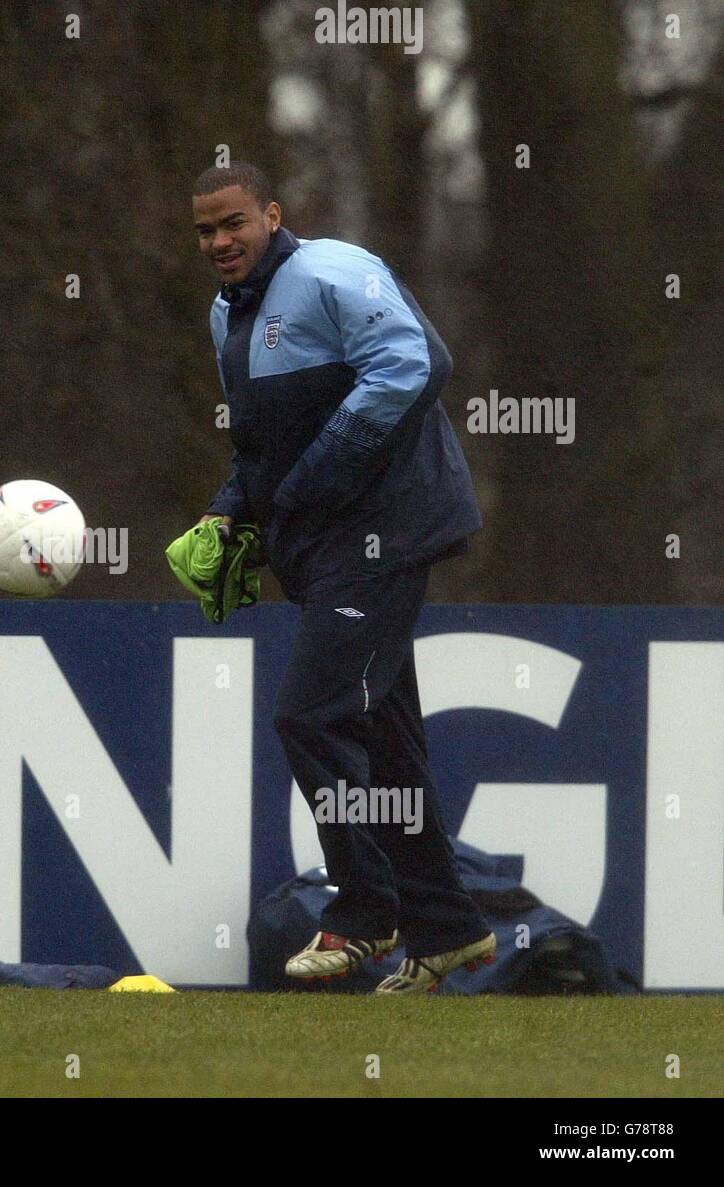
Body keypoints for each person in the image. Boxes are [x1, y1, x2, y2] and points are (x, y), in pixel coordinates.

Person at [190, 163, 494, 994]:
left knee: (310, 716)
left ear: (272, 215)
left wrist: (306, 490)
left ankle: (367, 907)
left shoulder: (332, 270)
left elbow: (416, 364)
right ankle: (450, 929)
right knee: (388, 741)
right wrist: (229, 514)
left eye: (234, 223)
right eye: (206, 231)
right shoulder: (228, 313)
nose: (220, 242)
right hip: (324, 542)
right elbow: (260, 447)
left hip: (384, 533)